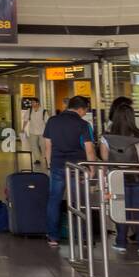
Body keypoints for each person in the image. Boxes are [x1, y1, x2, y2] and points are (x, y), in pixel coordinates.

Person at [100, 100, 139, 257]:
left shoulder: (106, 138)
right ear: (132, 117)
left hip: (117, 179)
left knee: (120, 210)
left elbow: (105, 160)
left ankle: (121, 243)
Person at [42, 95, 97, 249]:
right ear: (80, 109)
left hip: (57, 166)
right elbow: (89, 149)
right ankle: (83, 238)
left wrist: (49, 165)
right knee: (79, 203)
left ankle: (53, 237)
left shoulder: (53, 121)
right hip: (77, 168)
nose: (85, 114)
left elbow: (48, 146)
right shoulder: (83, 124)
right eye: (85, 110)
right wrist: (92, 169)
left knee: (54, 201)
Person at [22, 97, 48, 166]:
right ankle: (37, 159)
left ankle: (45, 157)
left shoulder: (44, 111)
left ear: (38, 103)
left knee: (43, 145)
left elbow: (47, 122)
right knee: (33, 145)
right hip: (32, 131)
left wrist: (48, 131)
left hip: (42, 131)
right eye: (32, 103)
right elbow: (25, 120)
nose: (32, 104)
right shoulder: (30, 111)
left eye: (33, 102)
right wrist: (23, 128)